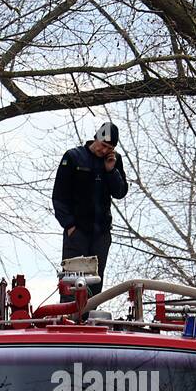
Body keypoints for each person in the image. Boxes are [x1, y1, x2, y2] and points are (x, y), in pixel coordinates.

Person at [52, 121, 128, 290]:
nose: (104, 150)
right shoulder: (73, 157)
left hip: (101, 233)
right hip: (77, 230)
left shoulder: (115, 160)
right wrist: (69, 225)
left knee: (94, 284)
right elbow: (59, 195)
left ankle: (89, 316)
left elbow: (120, 192)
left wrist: (111, 170)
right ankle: (70, 314)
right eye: (103, 145)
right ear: (96, 138)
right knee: (72, 282)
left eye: (109, 148)